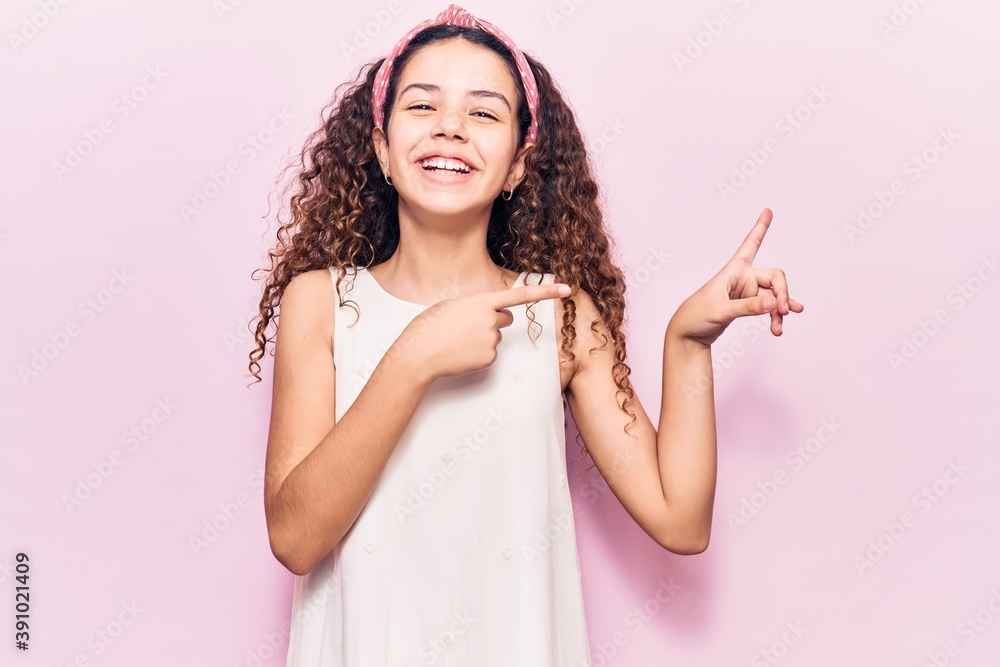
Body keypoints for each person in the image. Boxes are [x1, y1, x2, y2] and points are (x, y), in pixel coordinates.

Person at [247, 4, 803, 665]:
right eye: (422, 107)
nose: (451, 127)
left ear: (516, 166)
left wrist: (688, 342)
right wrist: (414, 356)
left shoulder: (560, 315)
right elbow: (296, 538)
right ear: (381, 149)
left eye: (483, 113)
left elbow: (680, 519)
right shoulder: (323, 302)